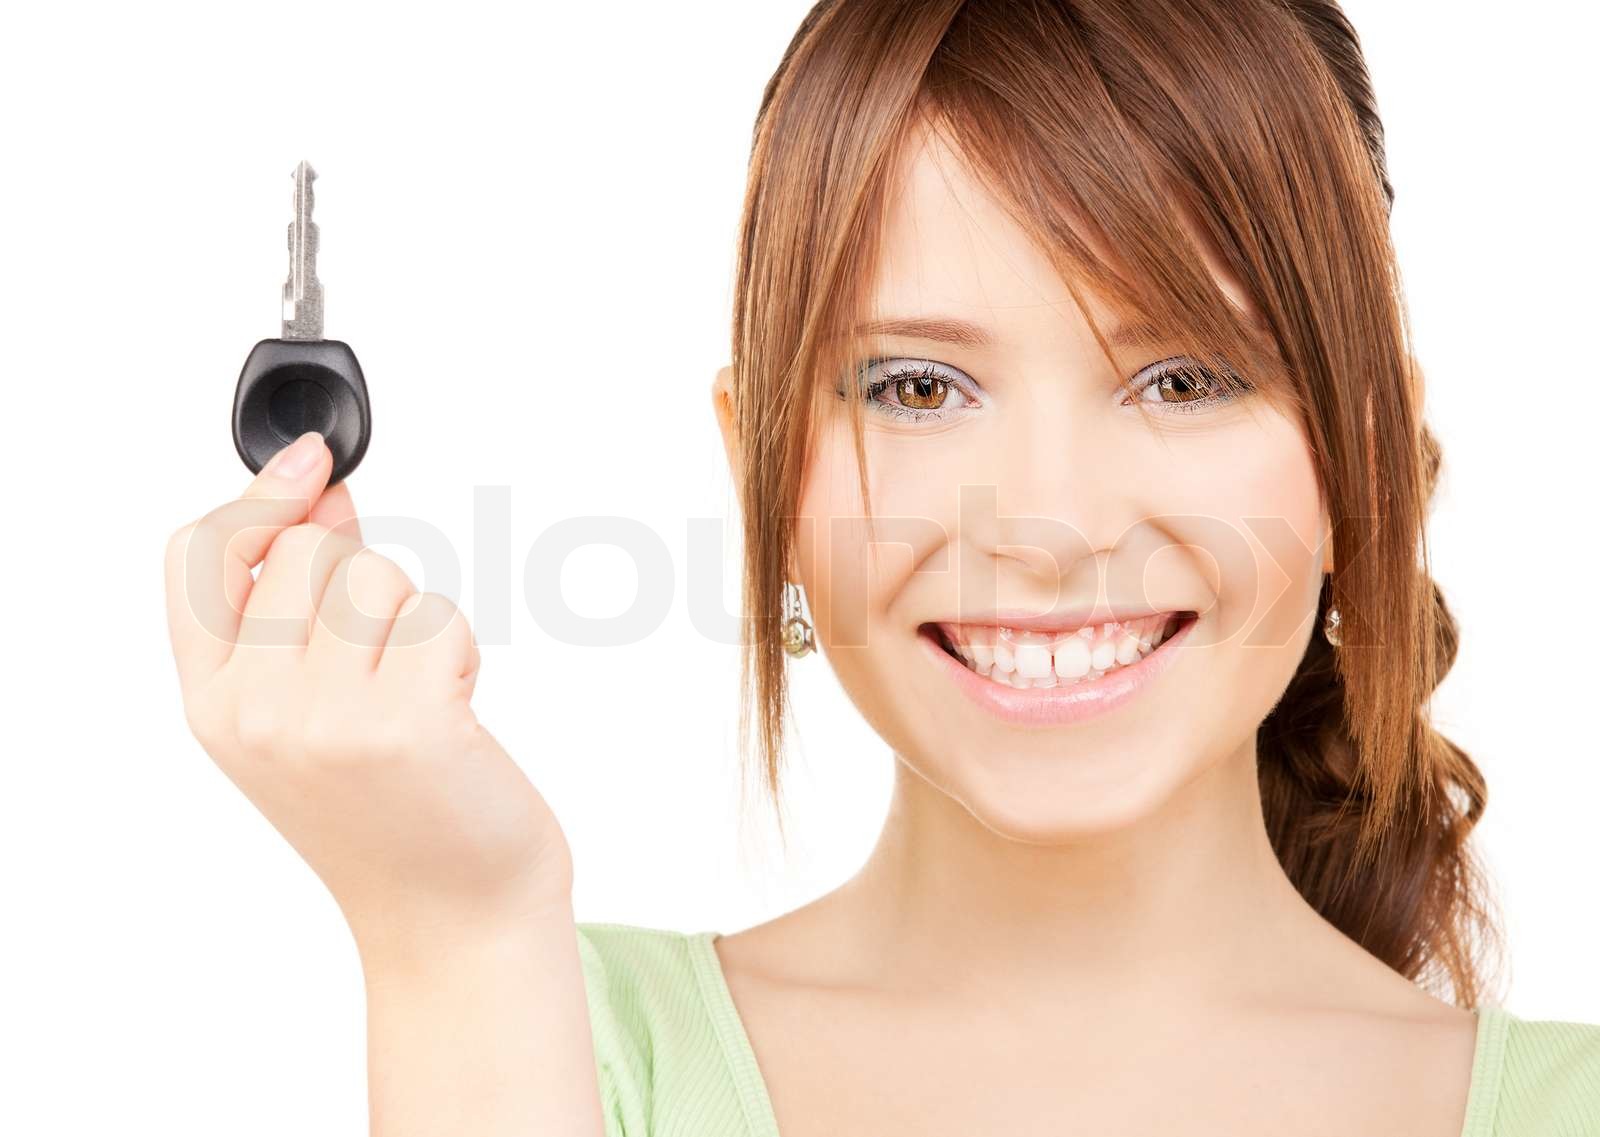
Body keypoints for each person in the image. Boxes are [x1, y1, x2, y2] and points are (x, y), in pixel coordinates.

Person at [162, 1, 1600, 1134]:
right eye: (919, 387)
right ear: (766, 471)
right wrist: (449, 923)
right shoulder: (542, 1029)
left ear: (1362, 461)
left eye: (1183, 377)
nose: (1048, 523)